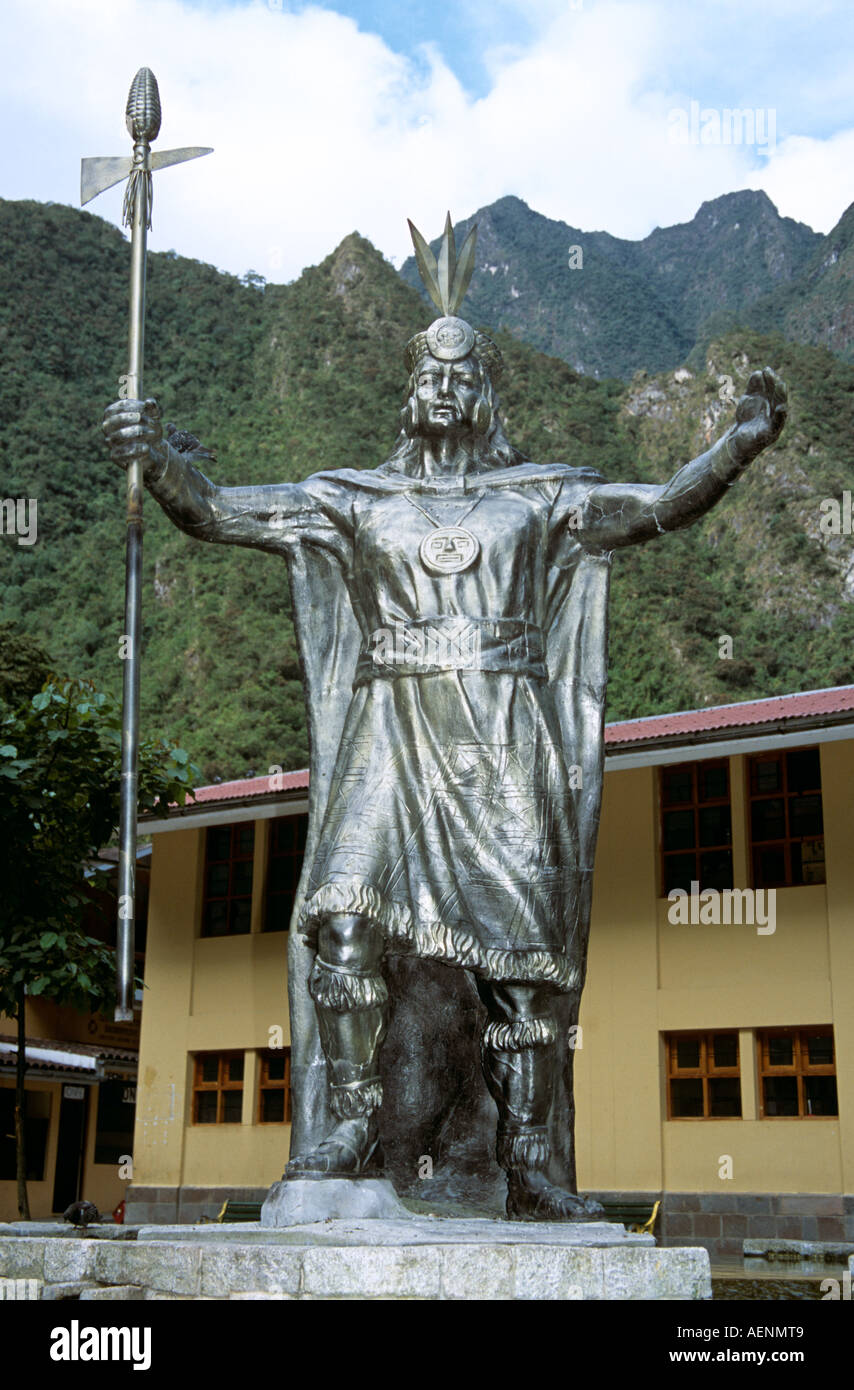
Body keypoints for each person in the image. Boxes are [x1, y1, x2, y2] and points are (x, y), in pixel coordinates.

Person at [103, 218, 786, 1220]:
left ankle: (529, 1159)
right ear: (409, 390)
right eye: (427, 372)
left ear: (485, 393)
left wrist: (729, 449)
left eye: (460, 375)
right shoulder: (351, 500)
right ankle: (345, 1124)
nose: (441, 387)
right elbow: (217, 512)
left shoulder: (541, 495)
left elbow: (649, 510)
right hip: (386, 730)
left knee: (524, 966)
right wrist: (156, 458)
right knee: (344, 925)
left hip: (500, 741)